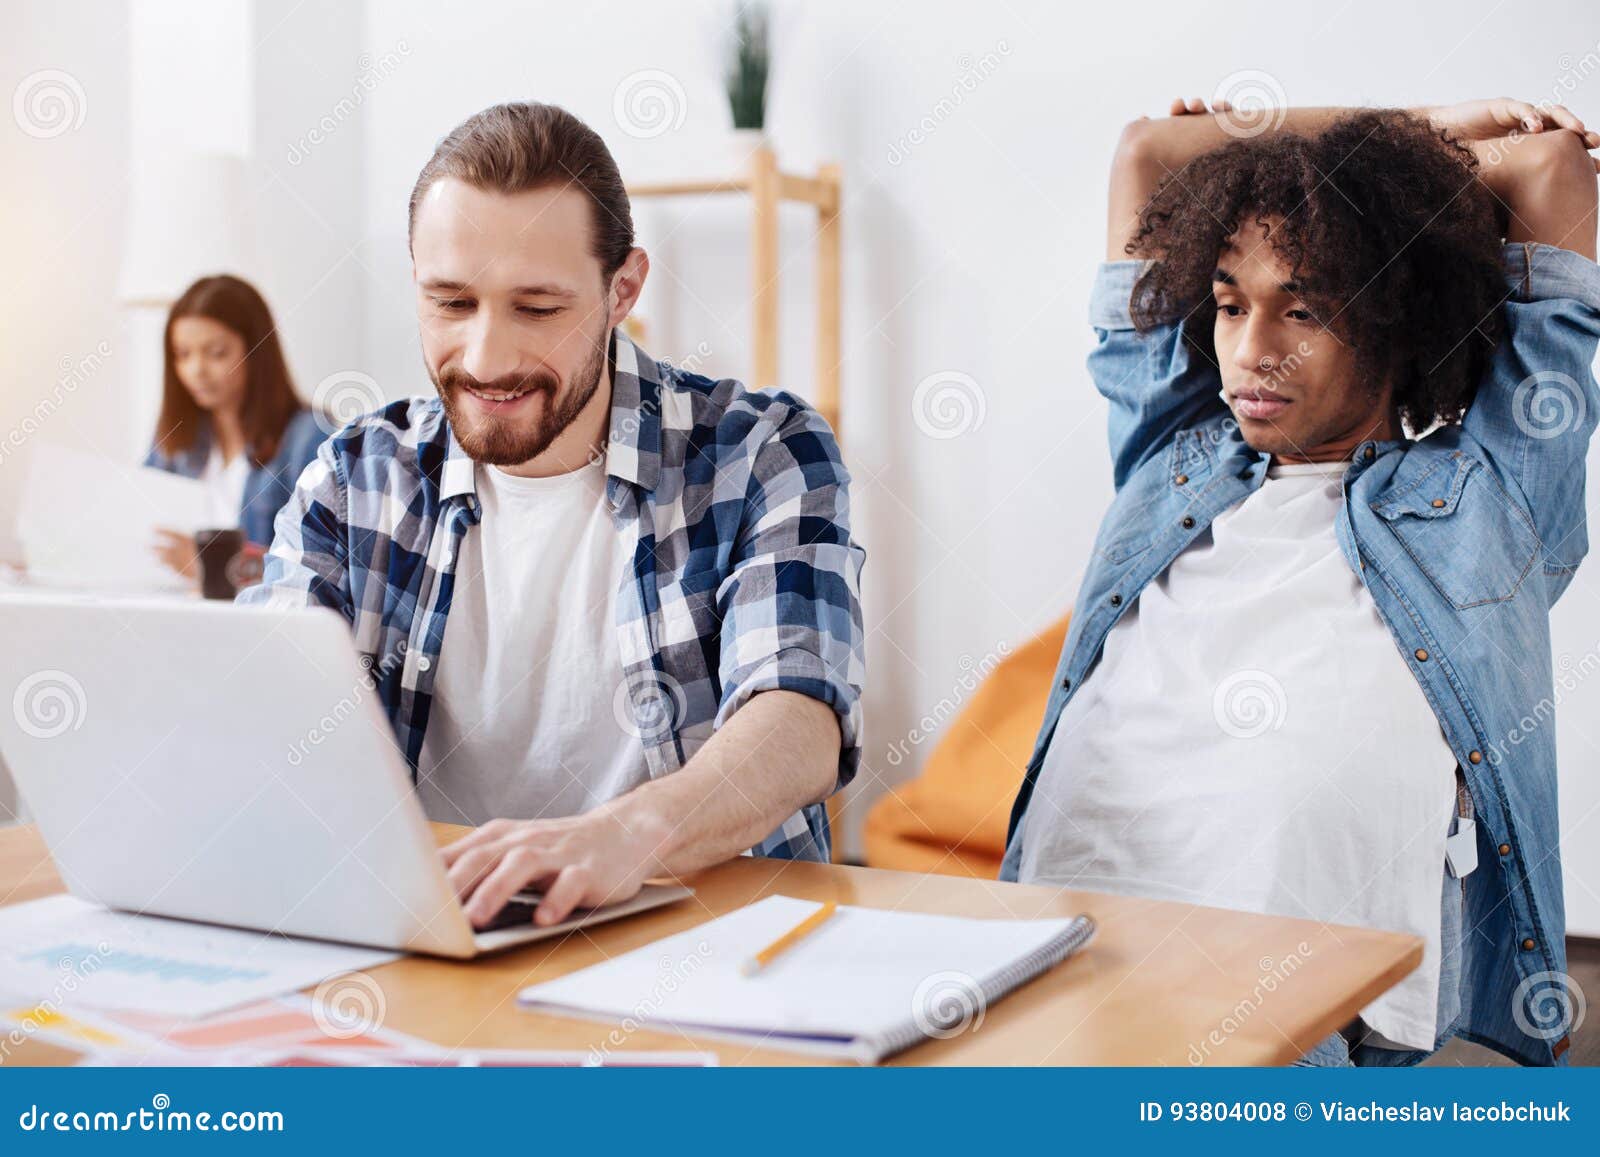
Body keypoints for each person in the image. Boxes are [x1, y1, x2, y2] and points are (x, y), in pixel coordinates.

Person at [1000, 96, 1599, 1067]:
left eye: (1306, 308)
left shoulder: (1489, 498)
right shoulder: (1172, 455)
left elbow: (1549, 169)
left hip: (1282, 1018)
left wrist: (1396, 179)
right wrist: (1413, 133)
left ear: (1400, 317)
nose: (1250, 353)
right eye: (1231, 303)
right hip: (1052, 969)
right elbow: (1149, 151)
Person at [240, 102, 865, 930]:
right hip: (431, 941)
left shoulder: (761, 452)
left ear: (622, 289)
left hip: (704, 947)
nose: (487, 358)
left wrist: (627, 835)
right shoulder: (355, 477)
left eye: (537, 308)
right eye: (451, 302)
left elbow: (800, 720)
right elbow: (271, 713)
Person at [145, 275, 326, 582]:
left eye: (216, 353)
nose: (196, 370)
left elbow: (321, 569)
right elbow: (138, 532)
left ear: (256, 351)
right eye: (183, 354)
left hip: (255, 614)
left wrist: (215, 569)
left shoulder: (309, 438)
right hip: (167, 606)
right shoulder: (175, 437)